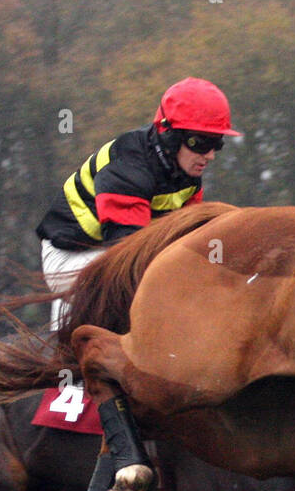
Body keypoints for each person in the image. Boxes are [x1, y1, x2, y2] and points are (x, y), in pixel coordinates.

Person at [37, 77, 240, 328]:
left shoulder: (186, 172)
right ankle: (64, 344)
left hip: (117, 248)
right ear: (170, 135)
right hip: (71, 254)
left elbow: (189, 242)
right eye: (200, 143)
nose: (209, 155)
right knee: (140, 285)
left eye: (216, 144)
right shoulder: (129, 169)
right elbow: (127, 259)